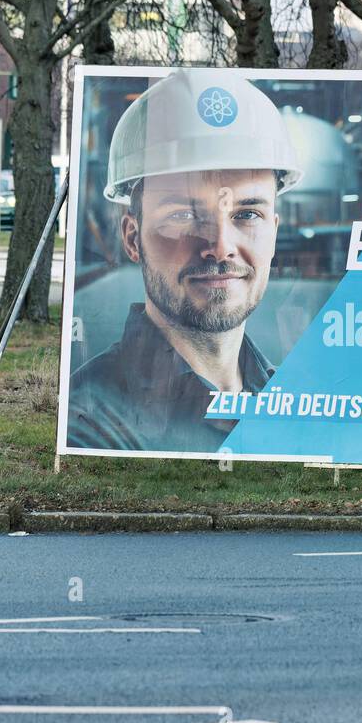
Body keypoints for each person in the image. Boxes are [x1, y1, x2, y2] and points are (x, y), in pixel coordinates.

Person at [66, 69, 303, 453]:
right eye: (184, 215)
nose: (220, 246)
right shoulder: (93, 418)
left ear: (273, 233)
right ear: (132, 238)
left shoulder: (287, 398)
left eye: (247, 215)